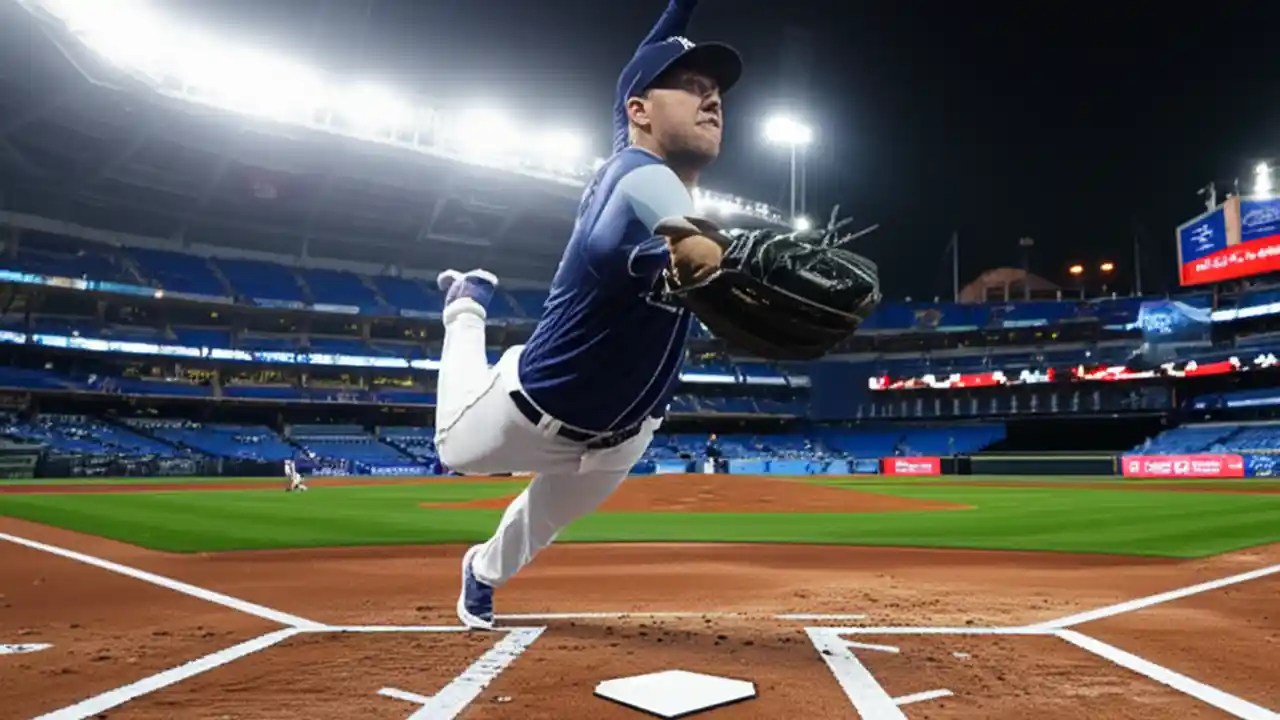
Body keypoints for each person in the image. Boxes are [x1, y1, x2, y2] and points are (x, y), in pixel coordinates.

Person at [432, 0, 741, 630]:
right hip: (525, 412)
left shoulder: (649, 159)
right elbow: (635, 235)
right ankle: (465, 305)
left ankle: (481, 574)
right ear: (640, 112)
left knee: (542, 520)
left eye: (717, 93)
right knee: (449, 446)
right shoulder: (631, 173)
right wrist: (682, 242)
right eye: (693, 88)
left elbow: (640, 64)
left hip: (625, 434)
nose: (713, 101)